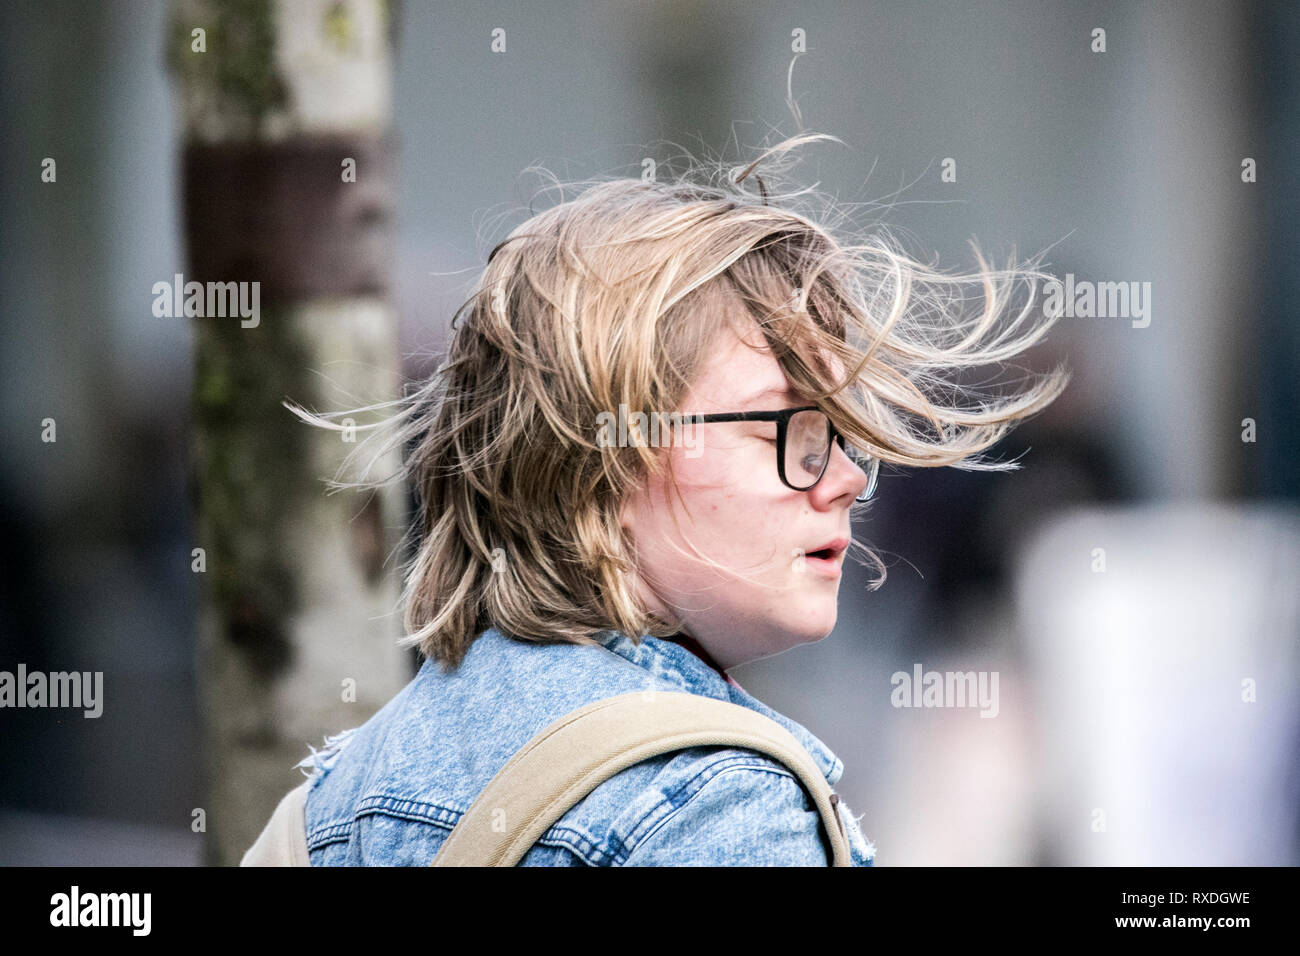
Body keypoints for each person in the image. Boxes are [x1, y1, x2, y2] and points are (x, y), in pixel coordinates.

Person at [288, 132, 1070, 866]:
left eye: (841, 430)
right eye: (790, 426)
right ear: (607, 458)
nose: (845, 477)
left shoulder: (346, 786)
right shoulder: (719, 808)